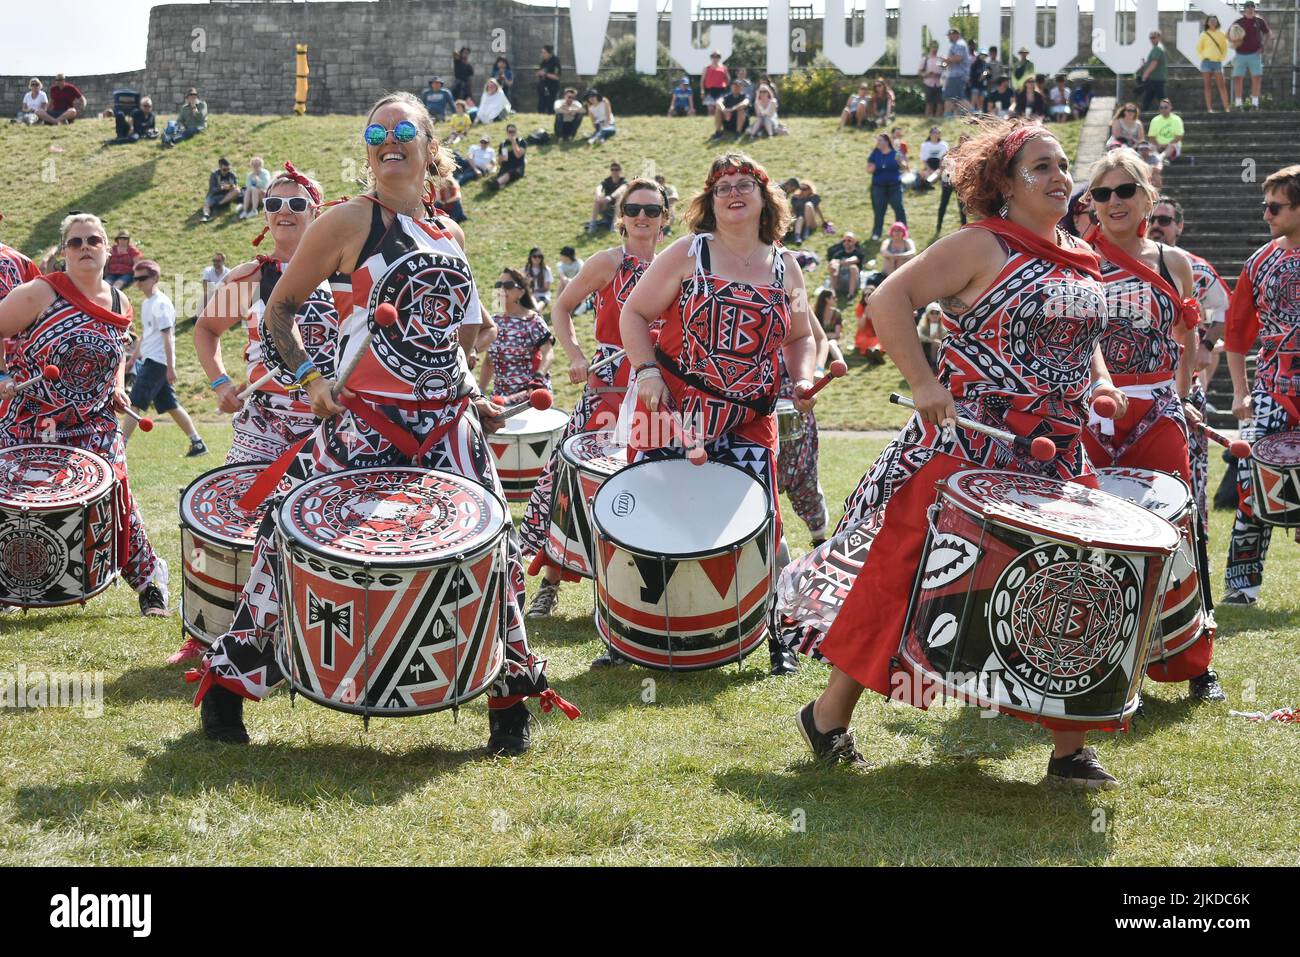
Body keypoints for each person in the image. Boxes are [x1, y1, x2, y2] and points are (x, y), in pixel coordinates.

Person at [189, 91, 566, 754]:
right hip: (362, 423)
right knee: (284, 544)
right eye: (376, 131)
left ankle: (508, 703)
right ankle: (227, 691)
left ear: (429, 147)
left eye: (402, 130)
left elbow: (462, 333)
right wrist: (311, 379)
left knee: (495, 555)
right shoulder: (346, 222)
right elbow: (280, 313)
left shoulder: (450, 231)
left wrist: (471, 389)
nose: (388, 140)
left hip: (448, 428)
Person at [778, 118, 1130, 786]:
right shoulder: (980, 244)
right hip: (969, 445)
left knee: (1070, 581)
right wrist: (923, 381)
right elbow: (889, 298)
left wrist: (1103, 381)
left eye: (1062, 165)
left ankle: (1068, 750)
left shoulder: (1076, 251)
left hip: (1057, 452)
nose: (1060, 177)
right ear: (1004, 183)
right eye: (1041, 168)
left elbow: (1082, 336)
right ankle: (827, 717)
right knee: (907, 579)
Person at [617, 154, 817, 677]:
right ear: (709, 201)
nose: (734, 192)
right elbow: (633, 313)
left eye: (745, 185)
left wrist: (801, 379)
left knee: (762, 524)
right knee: (650, 515)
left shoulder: (787, 266)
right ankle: (629, 633)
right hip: (670, 407)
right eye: (723, 186)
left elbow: (800, 336)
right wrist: (646, 372)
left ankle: (778, 633)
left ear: (763, 198)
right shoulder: (687, 252)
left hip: (750, 415)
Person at [1081, 148, 1220, 700]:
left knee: (1176, 531)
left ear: (1147, 197)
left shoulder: (1173, 262)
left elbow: (1186, 339)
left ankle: (1193, 664)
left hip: (1157, 408)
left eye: (1125, 191)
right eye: (1102, 193)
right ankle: (1091, 661)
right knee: (1088, 535)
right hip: (1090, 411)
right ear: (1090, 203)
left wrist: (1180, 396)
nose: (1114, 202)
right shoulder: (1074, 258)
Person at [0, 213, 170, 617]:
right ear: (63, 252)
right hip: (30, 418)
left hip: (94, 423)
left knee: (115, 501)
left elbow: (115, 351)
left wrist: (115, 386)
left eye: (93, 240)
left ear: (108, 249)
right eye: (75, 242)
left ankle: (150, 581)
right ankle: (8, 586)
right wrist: (2, 375)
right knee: (9, 504)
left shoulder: (120, 300)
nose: (84, 248)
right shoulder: (38, 294)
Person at [518, 180, 670, 627]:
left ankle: (635, 589)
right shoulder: (608, 262)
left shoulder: (676, 265)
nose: (642, 217)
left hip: (657, 388)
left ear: (665, 217)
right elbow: (561, 308)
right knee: (573, 479)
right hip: (608, 383)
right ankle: (549, 584)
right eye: (633, 208)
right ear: (621, 215)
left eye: (652, 209)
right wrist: (578, 356)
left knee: (646, 480)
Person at [1222, 165, 1300, 605]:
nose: (1266, 214)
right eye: (1264, 205)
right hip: (1272, 392)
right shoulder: (1259, 261)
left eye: (1275, 206)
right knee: (1253, 490)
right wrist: (1239, 390)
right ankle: (1241, 587)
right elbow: (1236, 334)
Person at [1146, 195, 1231, 534]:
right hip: (1131, 385)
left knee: (1189, 465)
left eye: (1165, 220)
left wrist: (1207, 345)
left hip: (1182, 385)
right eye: (1152, 218)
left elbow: (1222, 308)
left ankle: (1193, 536)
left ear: (1179, 227)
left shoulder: (1193, 266)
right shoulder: (1115, 261)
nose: (1157, 226)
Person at [122, 259, 207, 456]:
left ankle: (120, 445)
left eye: (142, 278)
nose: (138, 283)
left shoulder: (161, 304)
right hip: (151, 360)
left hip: (158, 361)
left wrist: (170, 367)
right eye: (136, 279)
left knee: (135, 401)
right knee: (170, 405)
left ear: (155, 278)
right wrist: (133, 359)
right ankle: (197, 443)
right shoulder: (146, 303)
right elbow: (145, 334)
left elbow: (167, 336)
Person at [481, 267, 553, 403]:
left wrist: (538, 377)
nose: (502, 289)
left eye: (508, 285)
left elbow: (548, 353)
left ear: (521, 291)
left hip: (531, 395)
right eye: (498, 285)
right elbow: (488, 362)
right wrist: (481, 392)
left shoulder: (533, 321)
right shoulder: (493, 322)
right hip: (501, 397)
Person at [1230, 1, 1272, 110]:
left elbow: (1268, 33)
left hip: (1255, 54)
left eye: (1252, 6)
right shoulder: (1239, 21)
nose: (1250, 8)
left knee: (1256, 78)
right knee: (1238, 78)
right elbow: (1227, 34)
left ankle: (1255, 103)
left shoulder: (1259, 21)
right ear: (1244, 9)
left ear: (1254, 8)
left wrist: (1263, 47)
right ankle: (1238, 104)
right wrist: (1234, 42)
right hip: (1240, 54)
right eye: (1247, 6)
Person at [868, 132, 907, 242]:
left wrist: (900, 161)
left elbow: (904, 166)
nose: (878, 142)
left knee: (899, 208)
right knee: (879, 210)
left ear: (887, 141)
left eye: (880, 140)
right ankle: (877, 233)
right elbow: (869, 169)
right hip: (879, 187)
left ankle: (903, 232)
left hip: (894, 186)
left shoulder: (895, 153)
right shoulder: (875, 153)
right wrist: (872, 167)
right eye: (878, 140)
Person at [934, 133, 970, 235]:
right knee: (944, 204)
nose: (965, 142)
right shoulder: (953, 151)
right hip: (948, 180)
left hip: (960, 182)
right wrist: (942, 173)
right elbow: (943, 161)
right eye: (963, 140)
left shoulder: (970, 153)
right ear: (960, 141)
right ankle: (939, 226)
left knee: (962, 206)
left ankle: (964, 227)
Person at [1197, 14, 1232, 113]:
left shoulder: (1221, 34)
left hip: (1217, 63)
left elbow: (1225, 48)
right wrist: (1203, 57)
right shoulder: (1203, 34)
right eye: (1211, 20)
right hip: (1206, 62)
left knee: (1222, 85)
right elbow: (1198, 48)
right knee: (1207, 86)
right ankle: (1209, 108)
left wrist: (1221, 58)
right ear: (1207, 23)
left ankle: (1226, 107)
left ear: (1217, 22)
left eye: (1214, 20)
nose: (1213, 22)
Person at [782, 178, 833, 244]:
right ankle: (797, 237)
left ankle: (806, 230)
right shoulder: (795, 198)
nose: (803, 191)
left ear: (810, 189)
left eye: (805, 189)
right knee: (800, 218)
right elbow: (792, 210)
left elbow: (818, 210)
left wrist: (824, 222)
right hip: (799, 221)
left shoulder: (813, 197)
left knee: (808, 205)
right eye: (801, 189)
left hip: (811, 222)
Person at [853, 276, 885, 364]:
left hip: (878, 333)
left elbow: (881, 326)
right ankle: (873, 352)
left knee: (880, 339)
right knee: (862, 340)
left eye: (870, 294)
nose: (867, 297)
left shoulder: (880, 306)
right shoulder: (860, 307)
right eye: (865, 295)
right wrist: (865, 314)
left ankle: (874, 352)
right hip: (865, 334)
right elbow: (861, 327)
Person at [588, 161, 625, 232]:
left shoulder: (623, 181)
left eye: (616, 169)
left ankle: (615, 226)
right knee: (597, 200)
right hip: (608, 207)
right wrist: (598, 195)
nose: (614, 171)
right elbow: (599, 187)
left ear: (620, 171)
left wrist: (610, 197)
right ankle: (593, 224)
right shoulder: (607, 180)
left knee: (619, 198)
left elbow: (622, 189)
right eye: (612, 169)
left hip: (620, 209)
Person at [942, 27, 972, 115]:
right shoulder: (957, 44)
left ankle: (974, 114)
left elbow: (959, 58)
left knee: (951, 97)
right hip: (957, 75)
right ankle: (974, 114)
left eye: (949, 35)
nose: (948, 38)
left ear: (955, 35)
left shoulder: (959, 44)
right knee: (957, 98)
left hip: (957, 75)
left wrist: (945, 59)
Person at [1136, 30, 1168, 112]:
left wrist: (1144, 75)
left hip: (1156, 78)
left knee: (1160, 99)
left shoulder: (1157, 49)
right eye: (1150, 38)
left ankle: (1167, 114)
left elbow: (1154, 63)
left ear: (1159, 38)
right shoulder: (1158, 48)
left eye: (1154, 37)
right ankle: (1143, 112)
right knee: (1149, 98)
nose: (1152, 39)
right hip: (1155, 79)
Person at [826, 231, 865, 298]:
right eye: (844, 240)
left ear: (855, 241)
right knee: (833, 266)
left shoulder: (859, 251)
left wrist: (839, 262)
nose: (846, 242)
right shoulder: (839, 253)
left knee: (853, 267)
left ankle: (850, 294)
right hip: (840, 281)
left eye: (849, 240)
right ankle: (833, 293)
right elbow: (832, 263)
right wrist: (833, 265)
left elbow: (855, 259)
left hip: (854, 283)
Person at [488, 122, 526, 190]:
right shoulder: (503, 144)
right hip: (505, 168)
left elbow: (518, 155)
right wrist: (500, 159)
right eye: (510, 131)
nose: (512, 133)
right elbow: (499, 163)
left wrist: (513, 142)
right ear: (507, 132)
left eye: (513, 131)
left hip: (517, 168)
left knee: (509, 174)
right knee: (504, 175)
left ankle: (496, 184)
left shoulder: (521, 142)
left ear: (516, 132)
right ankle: (497, 186)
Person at [201, 157, 241, 223]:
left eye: (228, 169)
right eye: (224, 169)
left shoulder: (232, 175)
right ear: (219, 167)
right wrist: (222, 188)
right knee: (206, 204)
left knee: (237, 190)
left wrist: (232, 186)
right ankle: (206, 216)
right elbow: (212, 189)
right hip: (214, 195)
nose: (227, 171)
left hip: (226, 196)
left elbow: (236, 186)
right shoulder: (214, 174)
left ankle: (218, 205)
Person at [1147, 98, 1184, 163]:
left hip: (1171, 146)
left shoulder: (1177, 119)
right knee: (1151, 145)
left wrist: (1166, 145)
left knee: (1173, 145)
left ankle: (1160, 158)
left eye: (1166, 107)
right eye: (1161, 107)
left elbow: (1179, 137)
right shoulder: (1155, 120)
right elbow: (1151, 137)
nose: (1163, 109)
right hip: (1158, 145)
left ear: (1170, 108)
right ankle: (1159, 158)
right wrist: (1159, 145)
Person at [914, 125, 949, 190]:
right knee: (924, 174)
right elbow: (924, 160)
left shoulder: (944, 145)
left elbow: (944, 159)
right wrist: (929, 169)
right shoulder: (924, 145)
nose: (936, 135)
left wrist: (940, 168)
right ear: (930, 134)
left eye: (937, 133)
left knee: (938, 172)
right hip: (929, 165)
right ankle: (924, 183)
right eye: (934, 133)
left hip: (940, 165)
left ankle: (927, 182)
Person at [238, 156, 271, 220]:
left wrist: (257, 180)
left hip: (264, 196)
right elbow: (248, 186)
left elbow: (265, 185)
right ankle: (245, 211)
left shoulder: (265, 173)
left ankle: (254, 210)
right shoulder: (250, 175)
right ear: (251, 166)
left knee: (254, 189)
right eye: (254, 165)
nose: (256, 167)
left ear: (261, 165)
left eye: (258, 165)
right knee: (249, 190)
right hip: (254, 196)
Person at [916, 301, 945, 369]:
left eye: (937, 312)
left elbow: (945, 336)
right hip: (925, 348)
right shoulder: (923, 324)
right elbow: (918, 335)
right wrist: (931, 340)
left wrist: (937, 340)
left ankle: (935, 365)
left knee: (936, 343)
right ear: (928, 315)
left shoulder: (943, 324)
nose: (934, 315)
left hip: (940, 348)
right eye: (932, 313)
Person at [920, 40, 944, 118]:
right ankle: (928, 117)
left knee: (940, 102)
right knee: (929, 102)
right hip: (928, 83)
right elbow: (920, 72)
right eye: (933, 47)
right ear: (930, 47)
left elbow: (946, 70)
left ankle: (938, 118)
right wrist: (927, 74)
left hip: (939, 83)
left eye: (936, 47)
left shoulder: (941, 58)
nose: (934, 49)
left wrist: (939, 74)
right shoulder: (925, 59)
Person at [536, 45, 561, 114]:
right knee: (540, 107)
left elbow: (557, 76)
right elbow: (541, 72)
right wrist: (539, 73)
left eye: (544, 53)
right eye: (542, 53)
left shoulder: (555, 61)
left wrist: (545, 74)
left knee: (551, 108)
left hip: (552, 88)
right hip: (542, 88)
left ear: (550, 53)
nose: (542, 55)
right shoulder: (543, 62)